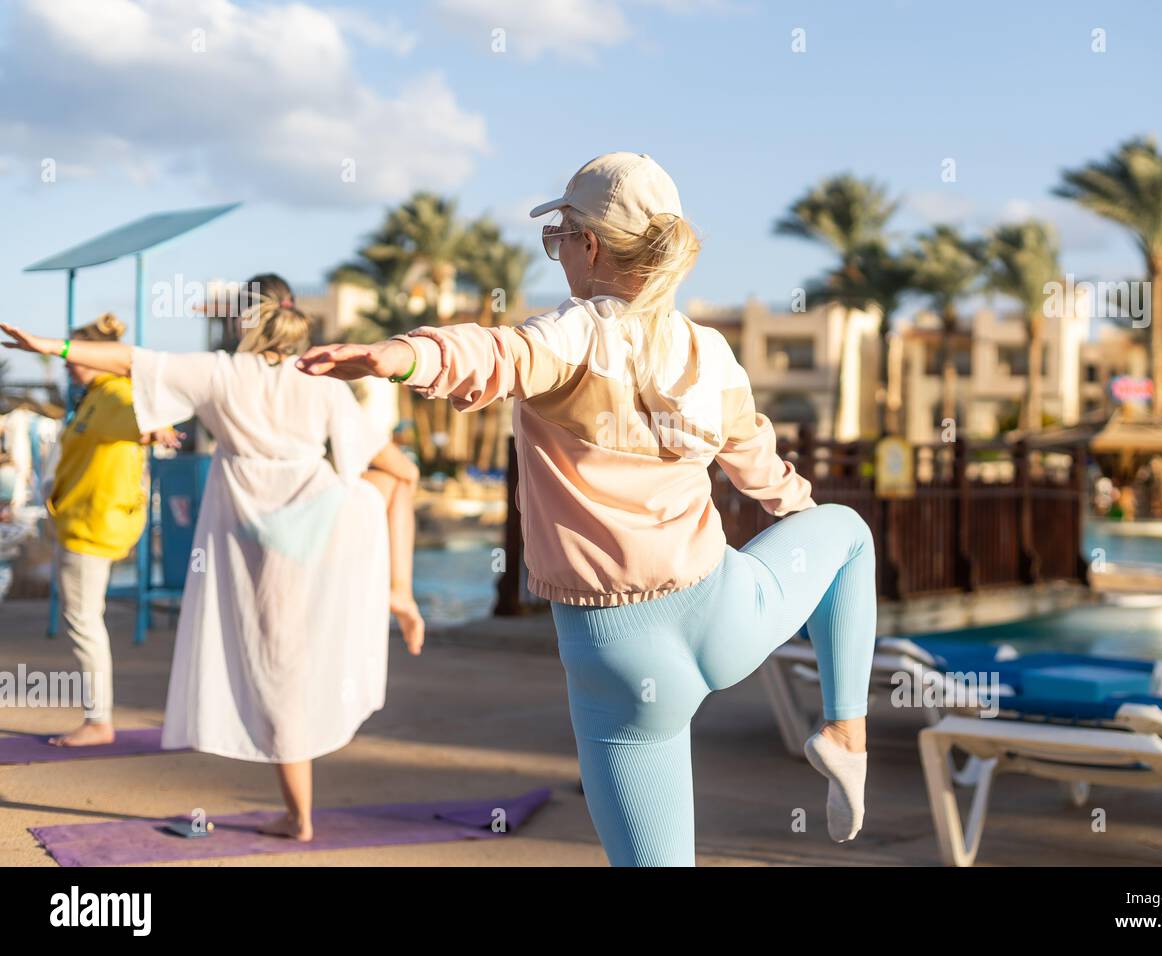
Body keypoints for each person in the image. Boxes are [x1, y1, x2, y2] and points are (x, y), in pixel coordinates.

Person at [297, 153, 877, 866]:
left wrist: (402, 356)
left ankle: (844, 734)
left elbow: (492, 353)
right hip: (724, 611)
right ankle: (846, 733)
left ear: (590, 244)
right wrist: (804, 555)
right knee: (846, 535)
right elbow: (769, 481)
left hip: (617, 653)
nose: (558, 253)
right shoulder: (710, 356)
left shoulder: (574, 336)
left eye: (559, 237)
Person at [3, 274, 422, 841]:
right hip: (316, 522)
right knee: (397, 484)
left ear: (244, 321)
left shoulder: (221, 373)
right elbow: (390, 466)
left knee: (276, 670)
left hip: (255, 535)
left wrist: (53, 347)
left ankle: (298, 816)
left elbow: (132, 360)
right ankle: (399, 588)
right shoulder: (321, 383)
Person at [42, 313, 177, 746]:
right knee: (82, 618)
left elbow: (140, 417)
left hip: (94, 528)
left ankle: (99, 720)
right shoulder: (95, 395)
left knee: (83, 620)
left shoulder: (116, 393)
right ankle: (97, 717)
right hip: (80, 523)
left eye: (77, 357)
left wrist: (157, 425)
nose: (68, 364)